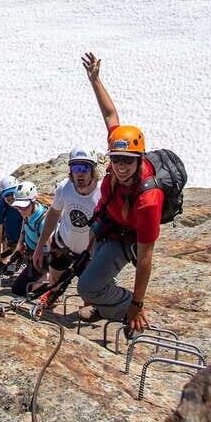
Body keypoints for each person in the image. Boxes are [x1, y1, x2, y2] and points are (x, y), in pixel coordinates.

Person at [78, 52, 164, 333]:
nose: (121, 166)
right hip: (108, 226)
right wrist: (95, 80)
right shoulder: (120, 153)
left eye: (127, 161)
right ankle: (101, 303)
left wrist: (137, 303)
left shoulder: (147, 200)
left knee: (88, 285)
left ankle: (124, 307)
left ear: (139, 159)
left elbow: (146, 256)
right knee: (91, 278)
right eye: (116, 160)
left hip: (124, 237)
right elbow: (110, 115)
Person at [33, 147, 102, 291]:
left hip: (88, 253)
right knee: (54, 282)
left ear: (93, 170)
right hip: (63, 245)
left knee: (88, 290)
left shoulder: (102, 193)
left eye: (84, 167)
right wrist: (40, 247)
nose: (80, 173)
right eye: (76, 167)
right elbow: (53, 215)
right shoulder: (64, 188)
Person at [9, 182, 49, 297]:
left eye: (23, 207)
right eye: (18, 207)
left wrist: (52, 273)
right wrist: (20, 245)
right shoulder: (27, 212)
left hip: (46, 260)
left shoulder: (44, 221)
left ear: (33, 201)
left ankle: (53, 283)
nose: (21, 211)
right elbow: (24, 225)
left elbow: (53, 249)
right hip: (33, 258)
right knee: (17, 289)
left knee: (29, 289)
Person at [0, 175, 24, 274]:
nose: (10, 198)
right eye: (7, 195)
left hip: (29, 242)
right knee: (10, 270)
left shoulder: (25, 203)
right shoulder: (1, 207)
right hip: (13, 241)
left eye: (12, 194)